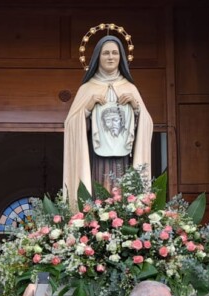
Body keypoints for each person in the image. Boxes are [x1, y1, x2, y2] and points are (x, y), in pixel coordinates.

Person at [63, 34, 153, 205]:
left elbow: (146, 124)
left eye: (115, 53)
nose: (111, 57)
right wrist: (88, 108)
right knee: (99, 189)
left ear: (121, 57)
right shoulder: (87, 88)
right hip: (96, 158)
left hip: (124, 158)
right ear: (98, 57)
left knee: (124, 192)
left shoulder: (130, 87)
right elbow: (70, 125)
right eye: (106, 53)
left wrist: (136, 107)